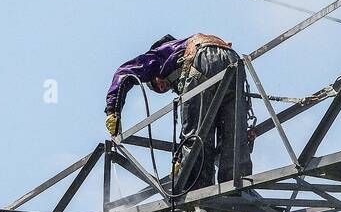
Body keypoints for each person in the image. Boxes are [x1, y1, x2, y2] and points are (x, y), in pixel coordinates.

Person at [105, 33, 253, 190]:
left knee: (196, 135)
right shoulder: (179, 55)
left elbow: (124, 72)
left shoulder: (161, 53)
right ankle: (237, 187)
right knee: (235, 135)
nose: (162, 87)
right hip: (232, 59)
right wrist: (180, 159)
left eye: (157, 84)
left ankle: (195, 188)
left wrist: (112, 110)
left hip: (202, 59)